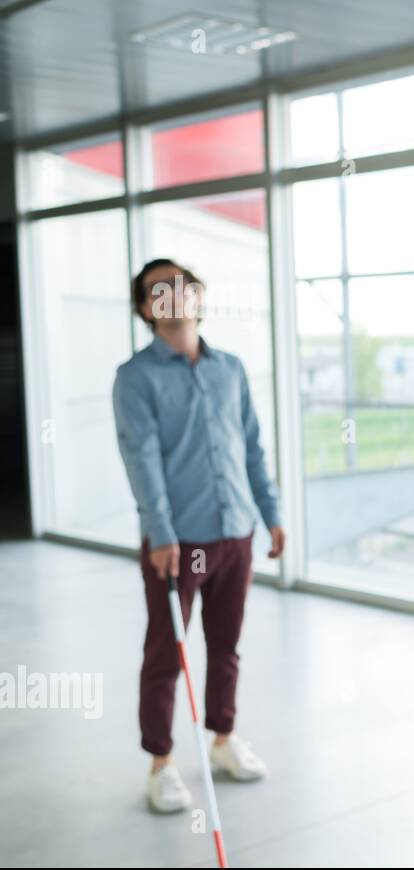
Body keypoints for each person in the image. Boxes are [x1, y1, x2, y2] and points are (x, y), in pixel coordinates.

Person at [112, 258, 285, 814]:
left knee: (226, 646)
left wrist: (272, 512)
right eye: (159, 289)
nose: (174, 294)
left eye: (181, 284)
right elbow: (142, 462)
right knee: (168, 653)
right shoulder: (135, 377)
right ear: (145, 308)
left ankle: (223, 739)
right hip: (177, 544)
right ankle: (160, 763)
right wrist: (161, 534)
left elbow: (251, 446)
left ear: (198, 295)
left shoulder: (229, 368)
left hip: (236, 533)